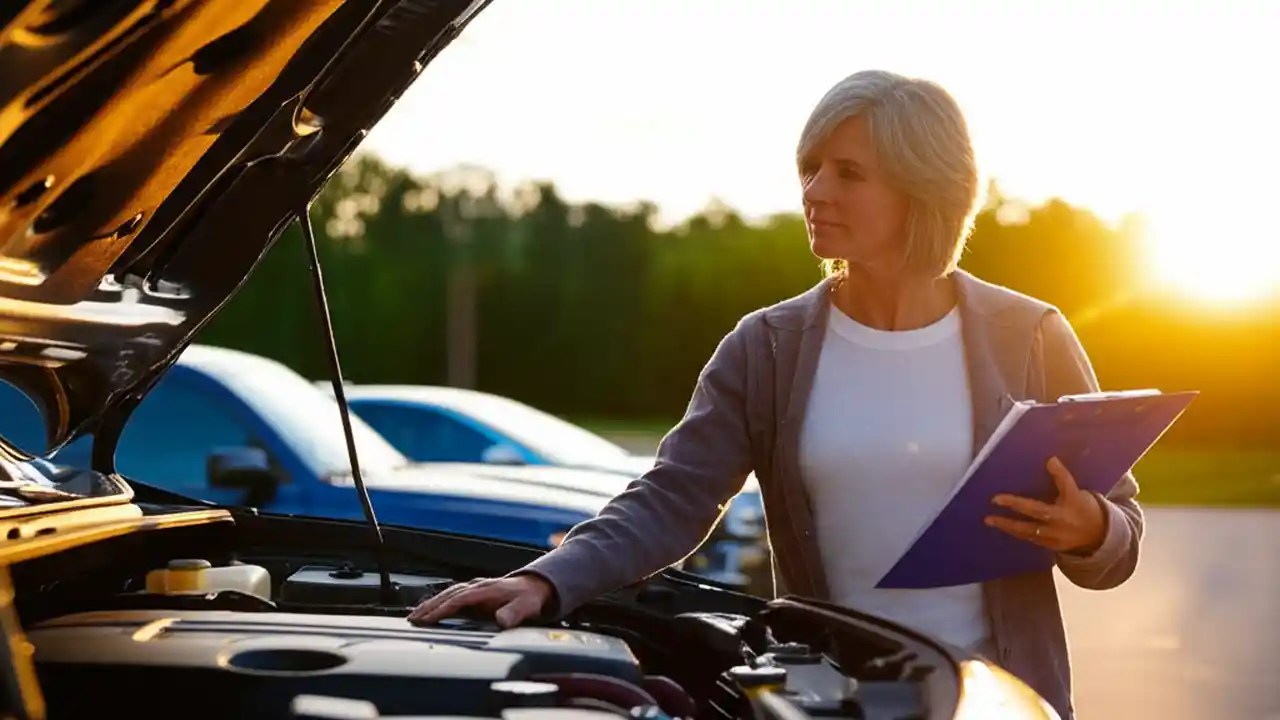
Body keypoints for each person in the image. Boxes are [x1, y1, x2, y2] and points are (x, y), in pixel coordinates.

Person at [408, 69, 1141, 719]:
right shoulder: (767, 347)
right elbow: (672, 498)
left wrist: (1089, 530)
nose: (814, 191)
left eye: (849, 172)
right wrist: (547, 579)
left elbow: (1120, 539)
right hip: (834, 697)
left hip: (997, 701)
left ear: (924, 186)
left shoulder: (1031, 335)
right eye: (811, 167)